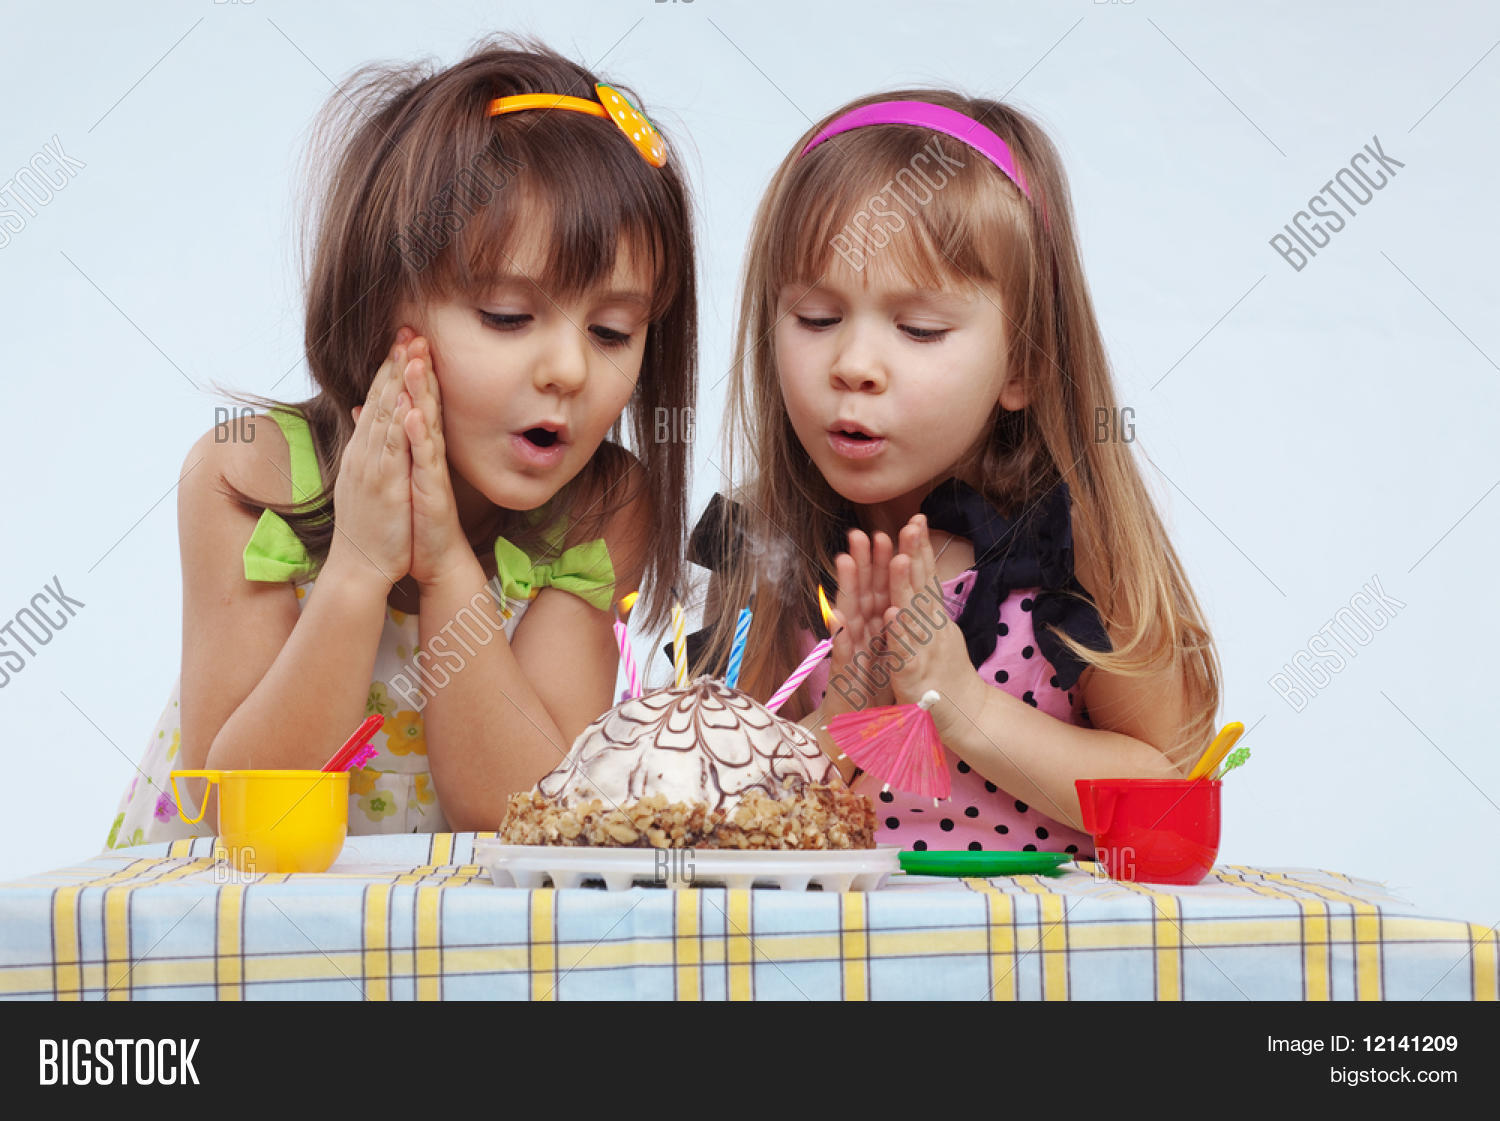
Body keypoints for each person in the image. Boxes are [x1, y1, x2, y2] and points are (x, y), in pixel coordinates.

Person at [107, 37, 697, 846]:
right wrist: (356, 565)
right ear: (381, 300)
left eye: (611, 330)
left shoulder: (600, 503)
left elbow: (520, 811)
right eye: (507, 317)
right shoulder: (248, 473)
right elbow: (235, 814)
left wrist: (447, 564)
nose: (568, 368)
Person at [689, 92, 1219, 854]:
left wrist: (962, 705)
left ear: (1025, 362)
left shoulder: (1070, 547)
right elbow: (716, 813)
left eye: (919, 329)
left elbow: (1170, 789)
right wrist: (844, 716)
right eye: (816, 318)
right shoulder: (768, 554)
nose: (854, 365)